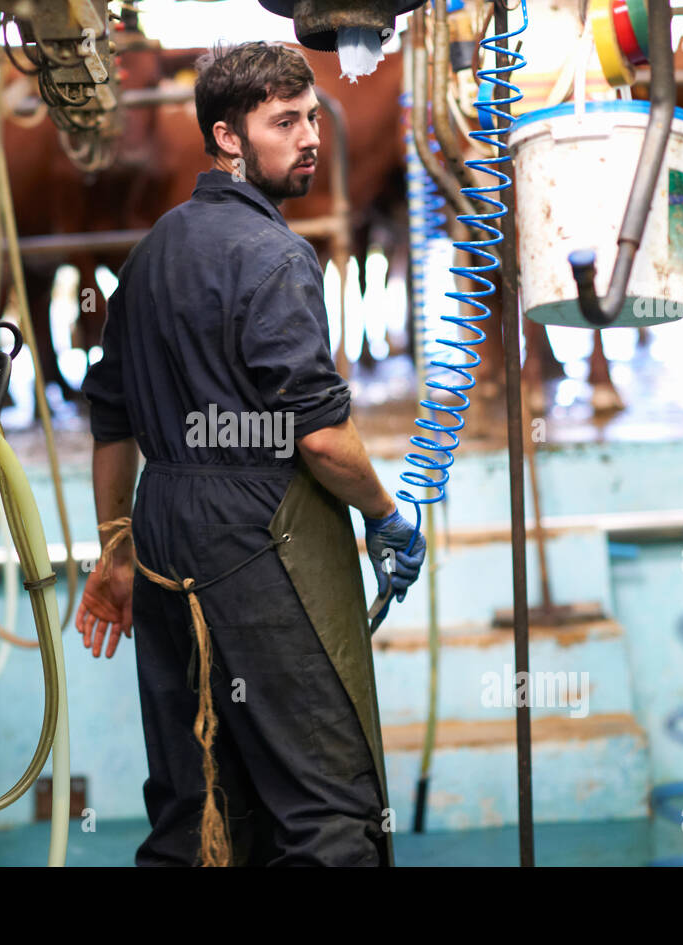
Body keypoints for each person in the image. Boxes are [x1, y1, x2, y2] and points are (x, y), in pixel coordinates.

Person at [76, 40, 426, 867]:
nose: (311, 136)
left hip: (164, 525)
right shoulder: (276, 257)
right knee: (329, 811)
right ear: (228, 137)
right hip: (260, 532)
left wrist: (117, 544)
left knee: (195, 801)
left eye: (311, 117)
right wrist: (386, 516)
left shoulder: (154, 250)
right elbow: (320, 438)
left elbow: (110, 419)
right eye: (285, 122)